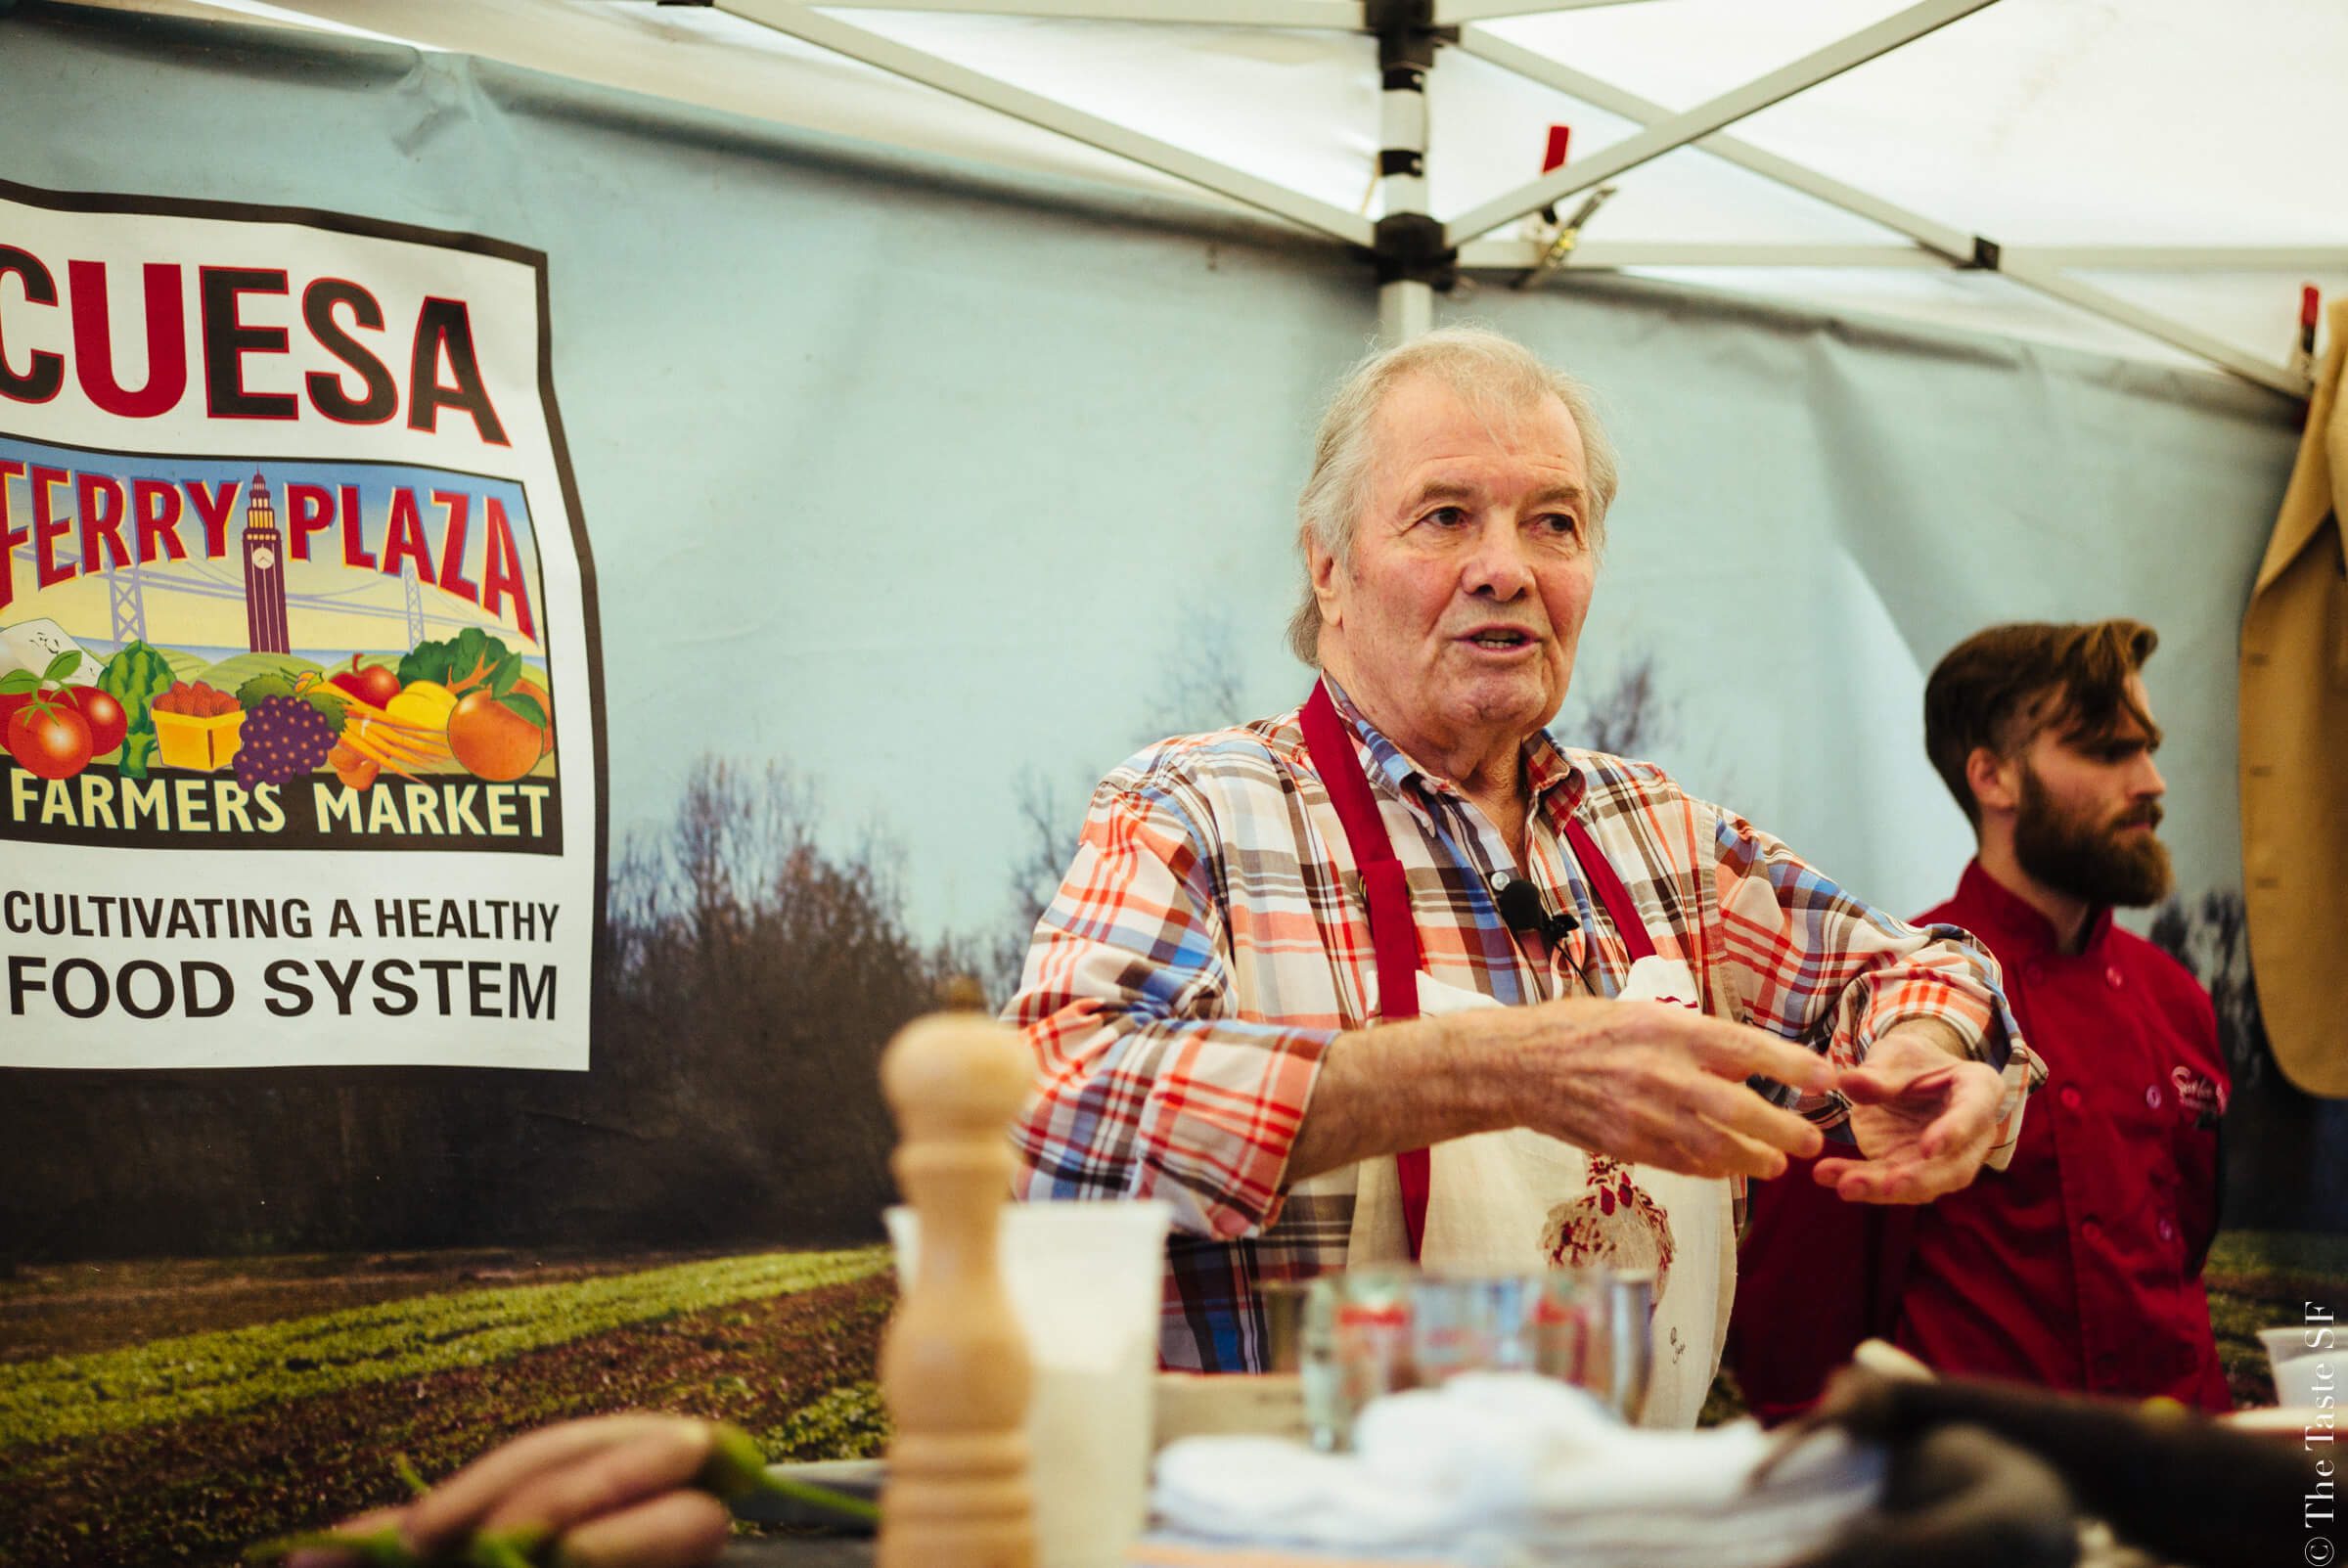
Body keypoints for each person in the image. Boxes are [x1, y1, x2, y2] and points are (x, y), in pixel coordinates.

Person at [1007, 326, 2040, 1420]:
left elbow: (1920, 969)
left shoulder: (1656, 832)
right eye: (1446, 515)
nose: (1506, 568)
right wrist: (1493, 1070)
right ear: (1328, 563)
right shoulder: (1200, 808)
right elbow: (1049, 1111)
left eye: (1553, 522)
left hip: (1620, 1519)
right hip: (1313, 1533)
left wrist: (1922, 1056)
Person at [1730, 619, 2231, 1417]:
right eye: (2108, 751)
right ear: (1992, 776)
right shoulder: (1885, 1005)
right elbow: (1795, 1326)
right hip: (1981, 1501)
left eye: (2149, 748)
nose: (2151, 782)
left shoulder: (2181, 1003)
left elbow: (2183, 1262)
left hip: (2188, 1489)